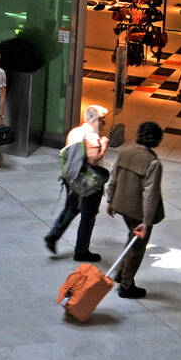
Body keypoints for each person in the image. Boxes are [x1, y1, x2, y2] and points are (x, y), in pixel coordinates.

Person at [105, 121, 166, 298]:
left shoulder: (125, 152)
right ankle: (126, 285)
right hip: (138, 211)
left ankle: (121, 272)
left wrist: (110, 200)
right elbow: (150, 194)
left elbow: (114, 177)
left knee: (132, 238)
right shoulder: (153, 162)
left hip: (120, 204)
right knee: (138, 247)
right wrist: (146, 222)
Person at [45, 104, 109, 261]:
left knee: (72, 208)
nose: (103, 123)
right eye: (102, 119)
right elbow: (94, 160)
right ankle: (81, 251)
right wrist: (104, 146)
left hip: (71, 178)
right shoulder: (92, 136)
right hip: (88, 182)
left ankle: (54, 234)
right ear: (93, 119)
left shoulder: (75, 132)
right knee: (88, 216)